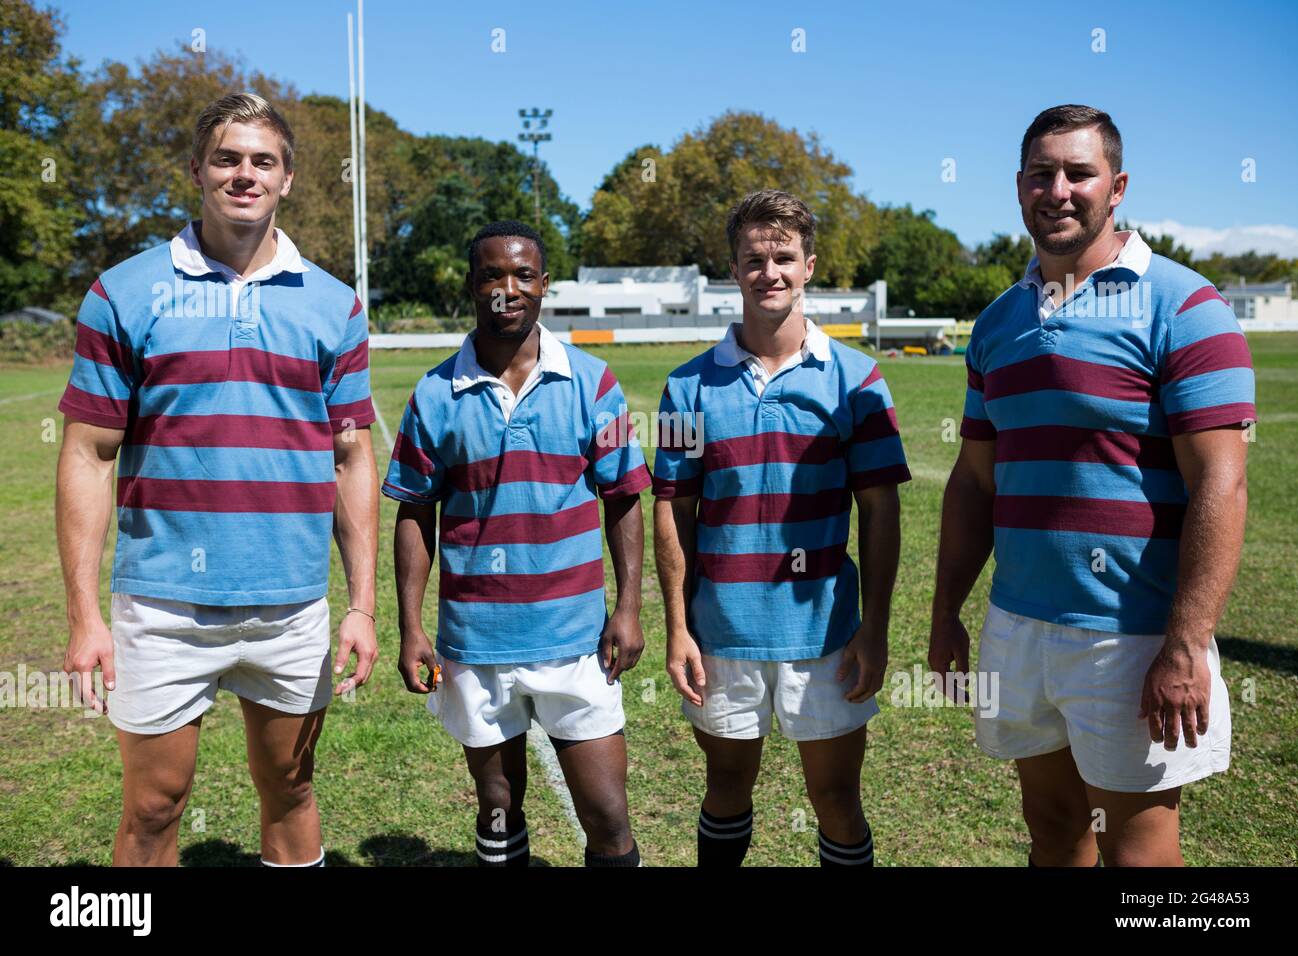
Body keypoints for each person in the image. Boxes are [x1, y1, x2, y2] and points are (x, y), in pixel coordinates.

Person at [56, 91, 379, 867]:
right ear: (196, 169)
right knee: (153, 806)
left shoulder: (335, 305)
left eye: (262, 161)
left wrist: (363, 606)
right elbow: (88, 455)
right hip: (164, 604)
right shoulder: (123, 292)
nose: (245, 174)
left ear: (289, 178)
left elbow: (352, 457)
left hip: (291, 602)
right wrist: (82, 617)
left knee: (293, 788)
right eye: (228, 158)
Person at [928, 105, 1255, 866]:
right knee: (1051, 826)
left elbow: (1222, 486)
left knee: (1138, 854)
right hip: (1019, 622)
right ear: (1019, 188)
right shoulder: (999, 322)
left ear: (1118, 186)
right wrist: (947, 611)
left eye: (1080, 172)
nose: (1060, 189)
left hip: (1132, 637)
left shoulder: (1185, 305)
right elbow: (976, 484)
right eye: (1042, 174)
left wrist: (1185, 645)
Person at [653, 189, 909, 867]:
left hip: (826, 636)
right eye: (754, 258)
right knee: (727, 787)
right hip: (722, 633)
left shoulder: (857, 379)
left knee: (836, 798)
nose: (770, 271)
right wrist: (678, 627)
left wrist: (875, 628)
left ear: (809, 265)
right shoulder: (686, 388)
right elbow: (673, 507)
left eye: (784, 257)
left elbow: (881, 510)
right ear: (734, 270)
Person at [385, 220, 649, 867]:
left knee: (609, 819)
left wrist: (629, 607)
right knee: (498, 804)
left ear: (544, 285)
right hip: (476, 642)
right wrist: (411, 626)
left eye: (523, 275)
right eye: (492, 276)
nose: (508, 289)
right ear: (473, 286)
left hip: (575, 637)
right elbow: (417, 512)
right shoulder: (434, 393)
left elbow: (623, 498)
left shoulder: (592, 383)